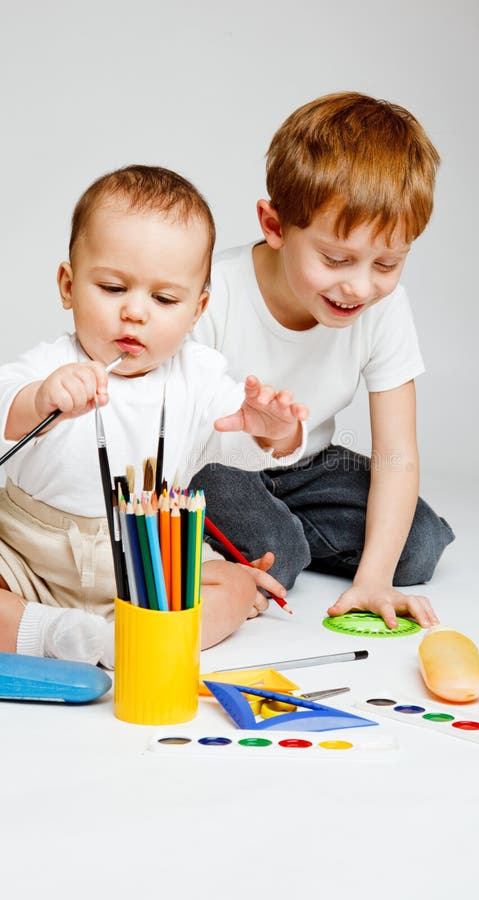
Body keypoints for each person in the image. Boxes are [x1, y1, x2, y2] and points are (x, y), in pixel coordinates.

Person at [0, 165, 308, 667]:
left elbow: (246, 448)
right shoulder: (52, 363)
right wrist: (40, 399)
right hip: (29, 552)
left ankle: (137, 637)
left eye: (164, 298)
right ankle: (56, 634)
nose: (136, 313)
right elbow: (5, 407)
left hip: (148, 557)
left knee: (232, 581)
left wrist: (274, 431)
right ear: (67, 285)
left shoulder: (201, 376)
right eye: (113, 288)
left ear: (197, 308)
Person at [191, 92, 454, 630]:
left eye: (387, 263)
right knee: (277, 555)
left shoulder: (384, 306)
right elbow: (167, 434)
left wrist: (374, 578)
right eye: (335, 259)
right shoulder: (214, 292)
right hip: (212, 465)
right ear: (275, 225)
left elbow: (397, 452)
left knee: (418, 547)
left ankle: (276, 536)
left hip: (309, 465)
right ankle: (269, 541)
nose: (359, 286)